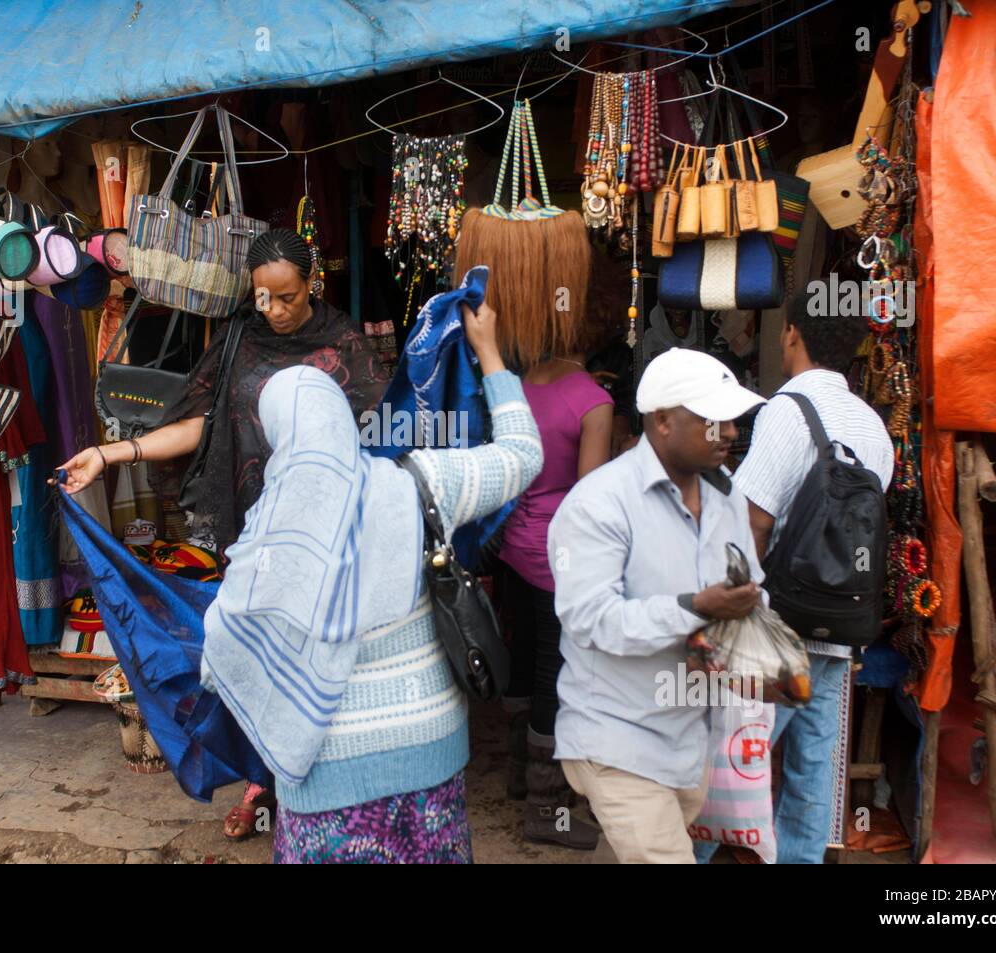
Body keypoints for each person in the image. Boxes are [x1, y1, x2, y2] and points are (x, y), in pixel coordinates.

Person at [57, 228, 387, 840]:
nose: (276, 310)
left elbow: (378, 440)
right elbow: (197, 428)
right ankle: (263, 784)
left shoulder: (344, 342)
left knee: (325, 666)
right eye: (264, 297)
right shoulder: (241, 337)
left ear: (312, 285)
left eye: (287, 296)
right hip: (254, 533)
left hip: (325, 539)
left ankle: (331, 795)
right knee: (259, 663)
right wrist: (112, 453)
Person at [199, 299, 541, 862]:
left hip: (324, 775)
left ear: (276, 432)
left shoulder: (265, 533)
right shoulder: (423, 481)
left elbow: (221, 653)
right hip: (430, 751)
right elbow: (524, 456)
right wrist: (490, 355)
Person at [548, 347, 766, 863]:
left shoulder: (726, 494)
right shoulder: (599, 503)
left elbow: (751, 586)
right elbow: (591, 618)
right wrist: (694, 607)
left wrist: (748, 627)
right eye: (714, 421)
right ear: (663, 421)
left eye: (733, 421)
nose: (731, 433)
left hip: (690, 736)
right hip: (617, 739)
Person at [707, 290, 892, 864]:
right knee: (814, 767)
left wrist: (736, 616)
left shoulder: (785, 412)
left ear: (791, 335)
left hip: (777, 628)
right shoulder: (874, 428)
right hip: (839, 625)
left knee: (731, 765)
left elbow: (752, 522)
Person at [497, 335, 612, 850]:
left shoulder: (518, 386)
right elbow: (589, 492)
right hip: (556, 552)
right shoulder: (594, 400)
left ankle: (518, 772)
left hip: (512, 544)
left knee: (522, 653)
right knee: (555, 671)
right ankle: (548, 806)